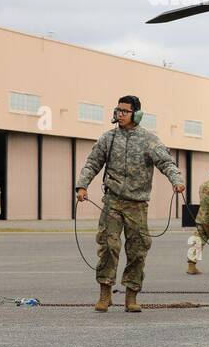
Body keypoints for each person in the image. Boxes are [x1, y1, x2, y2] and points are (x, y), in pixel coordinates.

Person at [75, 96, 185, 312]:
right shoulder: (108, 139)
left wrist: (177, 181)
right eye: (118, 110)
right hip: (113, 201)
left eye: (125, 111)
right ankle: (105, 294)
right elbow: (92, 163)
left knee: (137, 250)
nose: (121, 114)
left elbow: (166, 162)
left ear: (137, 114)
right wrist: (82, 186)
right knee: (108, 246)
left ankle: (131, 296)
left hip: (137, 203)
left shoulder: (148, 140)